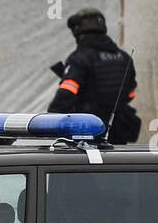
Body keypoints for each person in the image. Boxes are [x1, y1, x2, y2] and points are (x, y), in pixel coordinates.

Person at [47, 8, 140, 144]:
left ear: (77, 31)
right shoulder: (125, 58)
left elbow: (66, 94)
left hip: (88, 130)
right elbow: (130, 94)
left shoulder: (79, 59)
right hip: (117, 131)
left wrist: (50, 122)